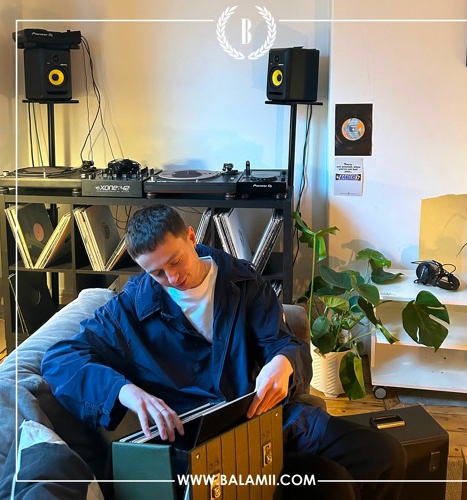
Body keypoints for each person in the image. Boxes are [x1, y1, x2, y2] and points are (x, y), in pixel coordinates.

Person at [41, 204, 406, 499]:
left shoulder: (243, 281)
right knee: (331, 483)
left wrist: (282, 364)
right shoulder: (130, 310)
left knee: (386, 455)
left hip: (266, 420)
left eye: (175, 261)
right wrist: (125, 391)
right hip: (198, 450)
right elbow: (59, 360)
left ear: (191, 236)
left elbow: (281, 342)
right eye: (157, 273)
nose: (172, 278)